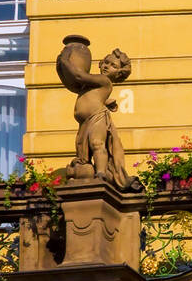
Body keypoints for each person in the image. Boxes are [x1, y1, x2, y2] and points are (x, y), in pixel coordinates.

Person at [56, 36, 137, 189]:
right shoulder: (89, 85)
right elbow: (71, 82)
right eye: (106, 62)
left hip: (97, 117)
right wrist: (60, 66)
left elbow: (78, 75)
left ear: (119, 73)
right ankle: (89, 172)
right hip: (85, 122)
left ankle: (100, 173)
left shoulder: (103, 81)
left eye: (113, 65)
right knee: (83, 154)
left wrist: (66, 60)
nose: (107, 66)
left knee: (97, 144)